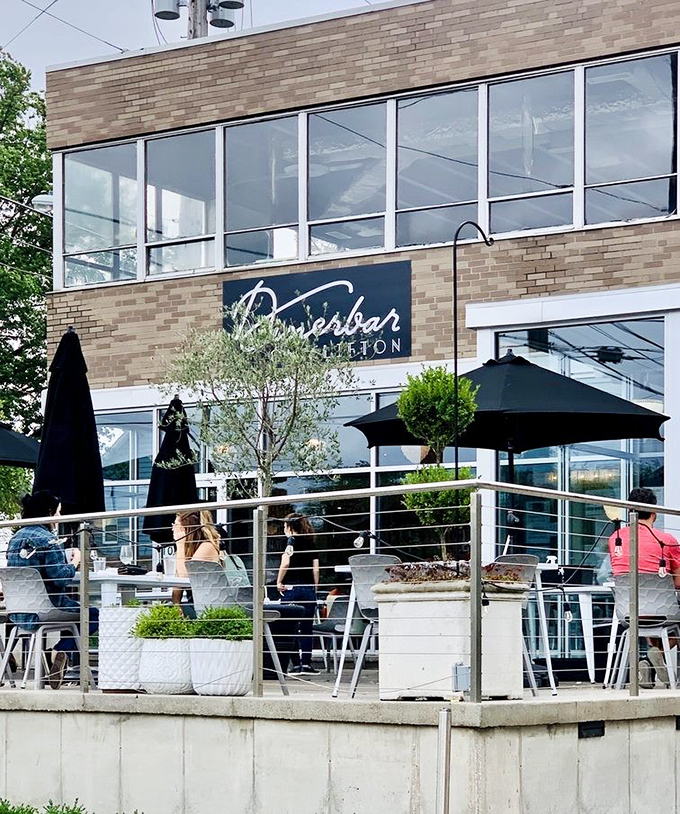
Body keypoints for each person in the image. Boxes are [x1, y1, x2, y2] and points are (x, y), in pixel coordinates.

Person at [6, 490, 98, 690]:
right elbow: (61, 579)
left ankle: (57, 659)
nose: (59, 518)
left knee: (79, 611)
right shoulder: (48, 539)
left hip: (18, 611)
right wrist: (75, 561)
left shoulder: (15, 539)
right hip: (47, 608)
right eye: (58, 513)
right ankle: (61, 650)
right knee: (91, 614)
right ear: (48, 512)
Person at [607, 487, 680, 686]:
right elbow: (679, 582)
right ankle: (653, 658)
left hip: (629, 612)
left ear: (629, 511)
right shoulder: (667, 540)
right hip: (662, 610)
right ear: (654, 513)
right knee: (668, 615)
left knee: (650, 611)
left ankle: (647, 667)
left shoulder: (616, 539)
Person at [276, 512, 320, 676]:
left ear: (289, 526)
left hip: (291, 589)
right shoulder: (310, 543)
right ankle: (306, 664)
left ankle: (294, 665)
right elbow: (316, 569)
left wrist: (279, 582)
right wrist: (313, 588)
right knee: (307, 628)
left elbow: (285, 562)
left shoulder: (288, 542)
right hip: (308, 589)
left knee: (290, 628)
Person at [171, 509, 223, 609]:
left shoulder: (207, 546)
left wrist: (180, 545)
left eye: (176, 524)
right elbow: (177, 580)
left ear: (187, 528)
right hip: (197, 605)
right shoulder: (187, 551)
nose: (173, 528)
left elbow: (185, 578)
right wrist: (176, 605)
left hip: (210, 608)